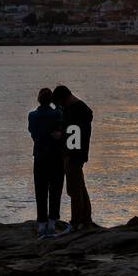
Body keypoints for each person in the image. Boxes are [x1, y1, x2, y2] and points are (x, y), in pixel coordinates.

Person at [27, 87, 68, 238]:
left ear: (38, 99)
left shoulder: (32, 116)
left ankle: (41, 224)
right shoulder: (57, 113)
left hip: (39, 156)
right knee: (55, 189)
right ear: (51, 100)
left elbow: (32, 133)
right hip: (56, 157)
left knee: (41, 190)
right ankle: (52, 223)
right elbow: (63, 124)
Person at [52, 84, 94, 229]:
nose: (59, 105)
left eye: (59, 102)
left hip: (73, 155)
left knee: (73, 190)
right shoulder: (79, 109)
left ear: (63, 98)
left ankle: (76, 222)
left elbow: (74, 134)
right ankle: (86, 220)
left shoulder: (76, 111)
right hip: (77, 154)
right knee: (80, 187)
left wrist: (60, 135)